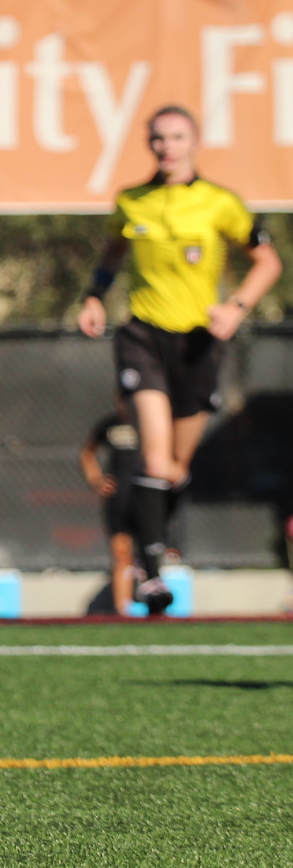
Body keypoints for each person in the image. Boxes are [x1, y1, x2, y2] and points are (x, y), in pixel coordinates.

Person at [79, 104, 280, 615]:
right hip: (142, 335)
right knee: (151, 455)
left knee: (171, 469)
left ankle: (154, 535)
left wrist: (237, 307)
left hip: (198, 343)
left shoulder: (220, 203)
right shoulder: (132, 201)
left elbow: (267, 261)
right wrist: (95, 295)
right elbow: (112, 256)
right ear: (149, 144)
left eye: (176, 137)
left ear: (195, 142)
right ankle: (151, 569)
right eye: (158, 138)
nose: (167, 146)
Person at [79, 400, 142, 615]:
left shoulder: (151, 422)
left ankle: (154, 605)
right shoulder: (110, 424)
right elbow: (87, 452)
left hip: (146, 498)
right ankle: (122, 609)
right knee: (122, 553)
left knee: (149, 552)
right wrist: (96, 480)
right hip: (118, 499)